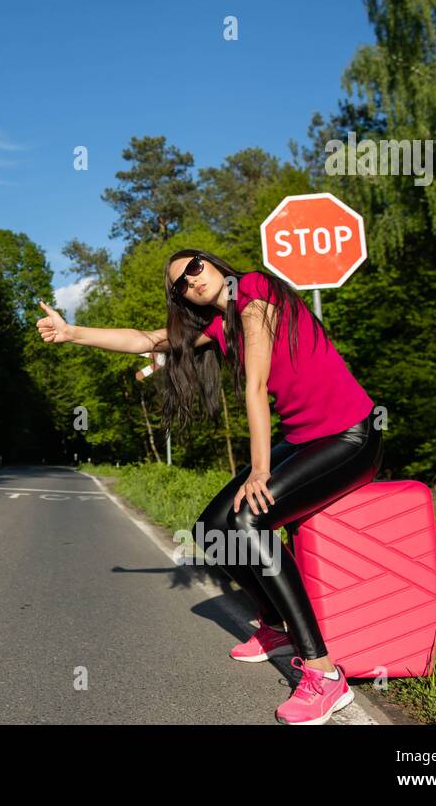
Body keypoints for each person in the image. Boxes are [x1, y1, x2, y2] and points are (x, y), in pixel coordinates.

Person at [35, 248, 382, 725]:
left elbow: (255, 386)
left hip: (351, 437)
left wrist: (259, 471)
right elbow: (146, 340)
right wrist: (73, 332)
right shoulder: (219, 327)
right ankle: (276, 628)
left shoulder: (257, 293)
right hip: (305, 440)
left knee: (248, 518)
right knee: (212, 527)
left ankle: (324, 673)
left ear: (213, 263)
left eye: (195, 268)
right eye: (179, 283)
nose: (191, 282)